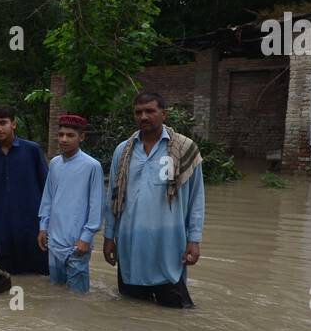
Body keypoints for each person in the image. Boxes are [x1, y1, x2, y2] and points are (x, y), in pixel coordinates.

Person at [102, 92, 205, 309]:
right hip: (131, 245)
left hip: (169, 246)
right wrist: (109, 237)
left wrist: (194, 240)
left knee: (176, 311)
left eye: (150, 111)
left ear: (164, 114)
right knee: (132, 310)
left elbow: (196, 198)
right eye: (138, 112)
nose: (143, 117)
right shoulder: (123, 151)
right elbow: (113, 197)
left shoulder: (185, 149)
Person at [36, 114, 104, 294]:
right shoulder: (55, 163)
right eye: (61, 135)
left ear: (81, 137)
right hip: (53, 240)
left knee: (77, 297)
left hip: (77, 243)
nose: (64, 139)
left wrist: (86, 238)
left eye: (70, 135)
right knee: (56, 291)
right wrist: (43, 227)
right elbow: (48, 197)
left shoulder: (92, 166)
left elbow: (96, 206)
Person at [0, 105, 49, 275]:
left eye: (3, 123)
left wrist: (46, 225)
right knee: (7, 276)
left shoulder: (32, 150)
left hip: (33, 229)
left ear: (14, 124)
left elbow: (48, 189)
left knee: (40, 276)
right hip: (4, 232)